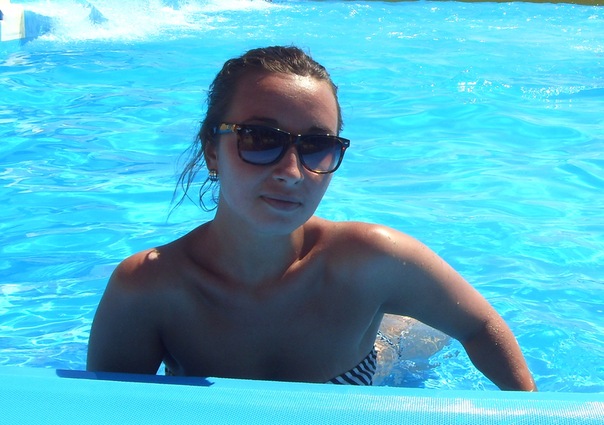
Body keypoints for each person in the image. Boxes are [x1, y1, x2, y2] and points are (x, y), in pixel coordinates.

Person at [87, 45, 537, 390]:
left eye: (317, 146)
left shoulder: (371, 260)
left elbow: (480, 327)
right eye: (259, 138)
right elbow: (105, 410)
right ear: (212, 151)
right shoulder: (147, 290)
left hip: (380, 365)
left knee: (408, 340)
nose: (290, 172)